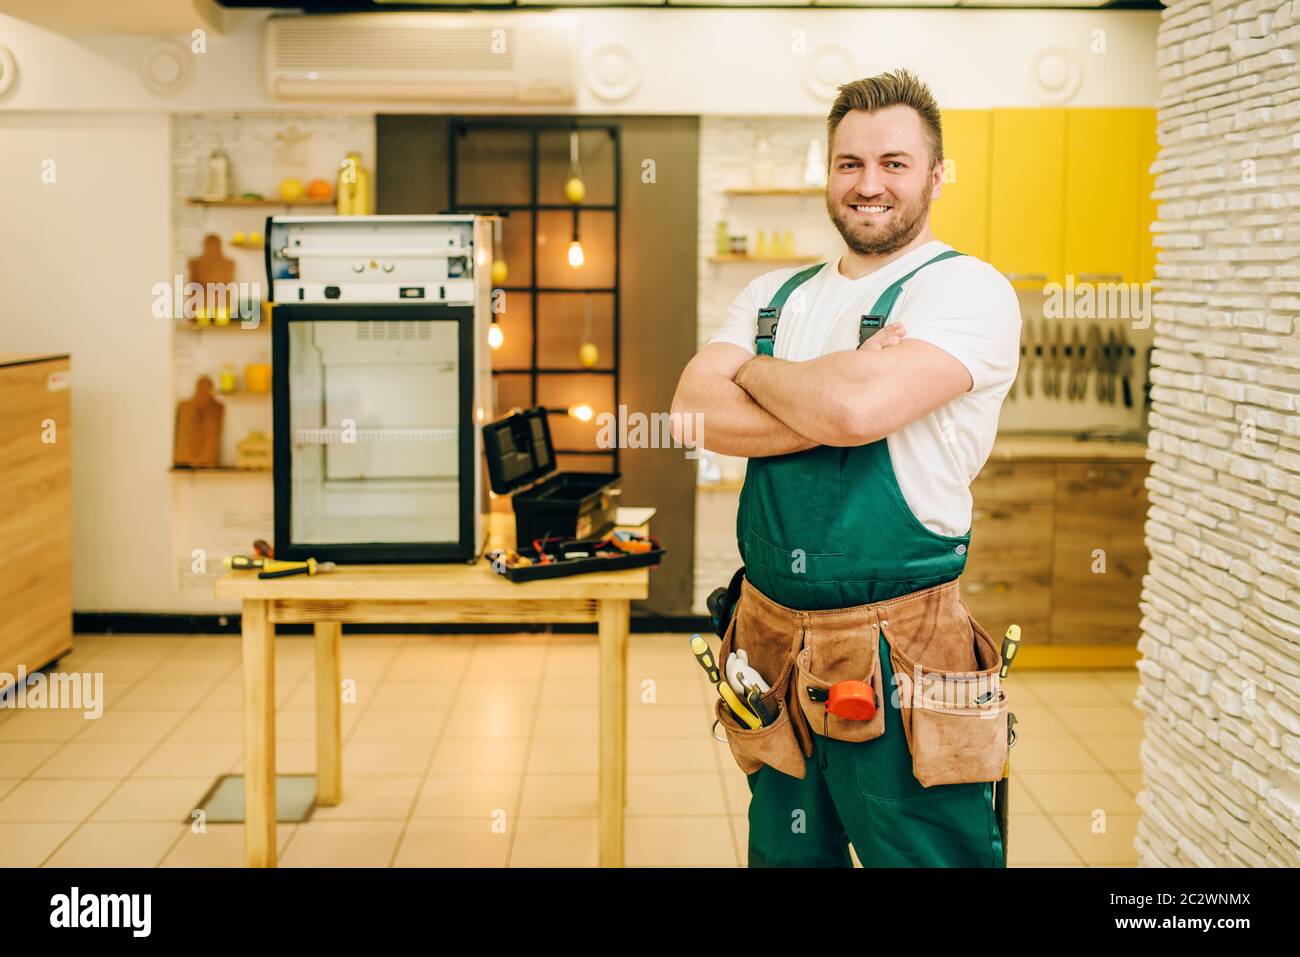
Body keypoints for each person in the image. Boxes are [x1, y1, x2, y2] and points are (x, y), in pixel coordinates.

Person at [671, 68, 1021, 867]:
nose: (869, 185)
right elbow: (692, 409)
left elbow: (855, 413)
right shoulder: (772, 293)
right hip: (767, 645)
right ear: (828, 172)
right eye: (849, 163)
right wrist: (830, 384)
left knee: (929, 856)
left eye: (895, 163)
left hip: (902, 649)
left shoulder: (966, 289)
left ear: (936, 174)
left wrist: (758, 375)